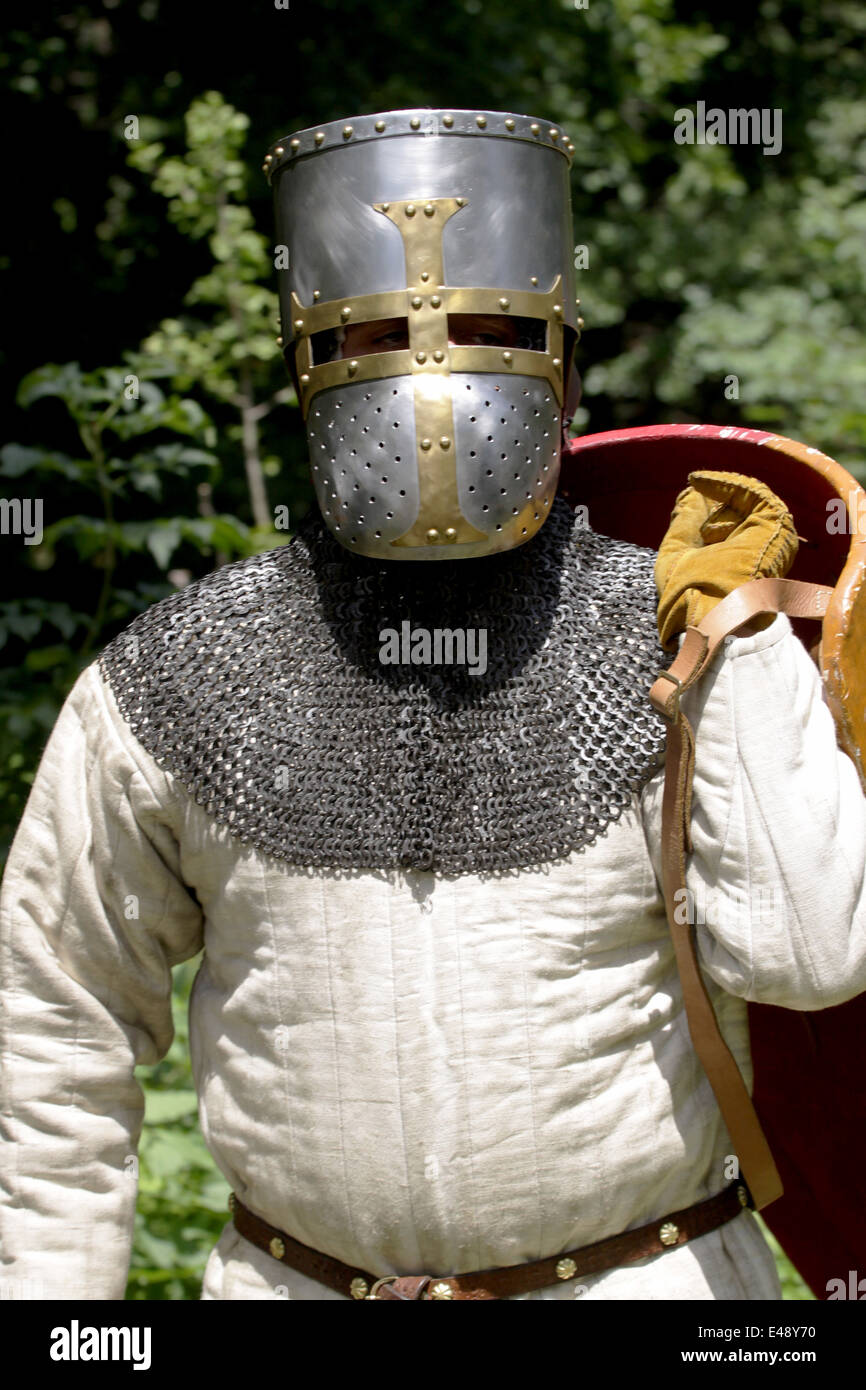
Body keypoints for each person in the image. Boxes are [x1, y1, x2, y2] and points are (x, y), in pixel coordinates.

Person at [2, 107, 865, 1303]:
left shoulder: (676, 637)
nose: (430, 378)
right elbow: (54, 1027)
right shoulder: (181, 676)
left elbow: (808, 958)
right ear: (306, 359)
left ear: (560, 355)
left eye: (488, 328)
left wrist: (741, 632)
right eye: (368, 335)